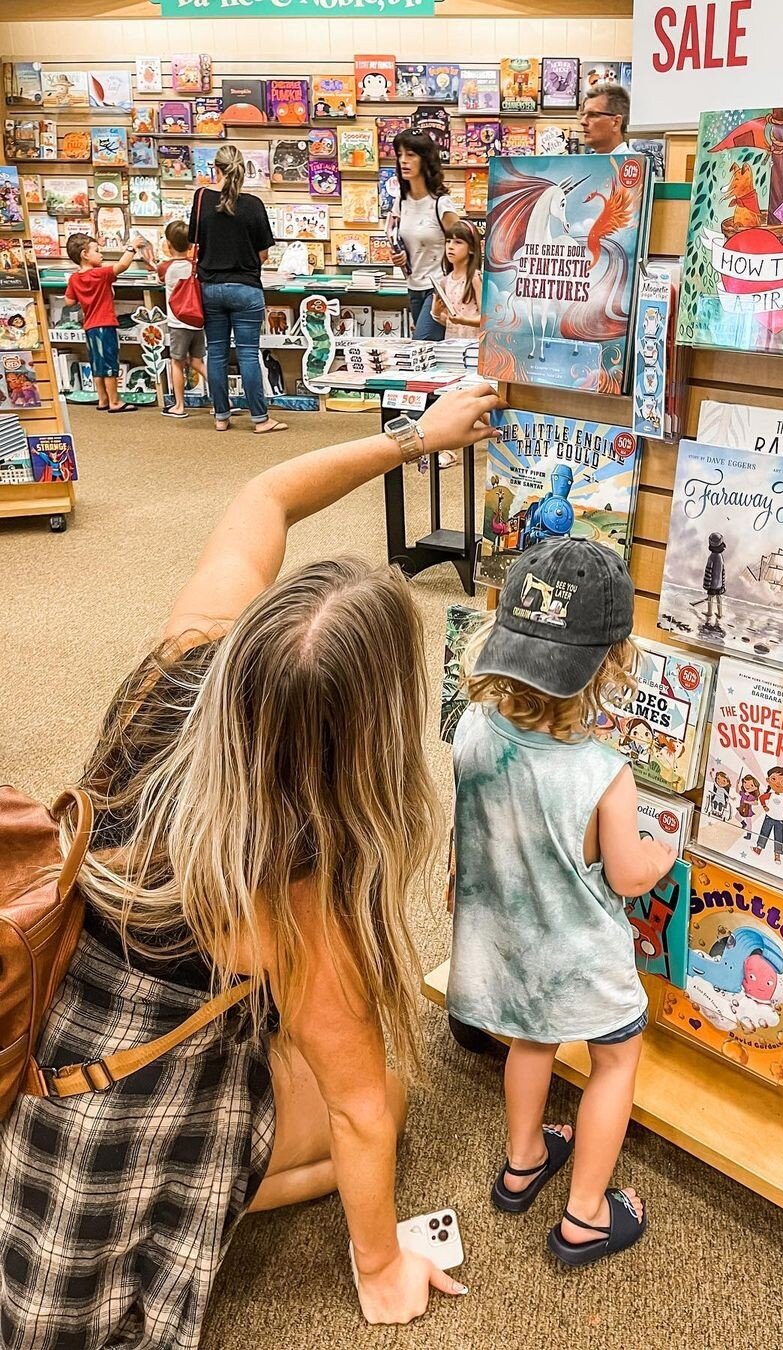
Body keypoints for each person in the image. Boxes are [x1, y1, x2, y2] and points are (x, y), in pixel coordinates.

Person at [0, 385, 504, 1345]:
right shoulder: (294, 881)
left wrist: (415, 438)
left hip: (40, 1031)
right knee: (386, 1098)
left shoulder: (176, 661)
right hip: (110, 1134)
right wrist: (384, 1265)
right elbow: (360, 1112)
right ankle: (177, 1207)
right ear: (366, 742)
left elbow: (265, 499)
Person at [447, 538, 674, 1268]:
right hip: (580, 955)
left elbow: (468, 826)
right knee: (614, 1061)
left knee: (529, 1041)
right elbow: (631, 875)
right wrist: (665, 851)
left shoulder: (473, 729)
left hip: (507, 944)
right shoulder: (605, 772)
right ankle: (584, 1216)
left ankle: (522, 1164)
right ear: (610, 663)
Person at [188, 144, 284, 435]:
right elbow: (263, 255)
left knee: (215, 353)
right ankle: (260, 419)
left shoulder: (202, 197)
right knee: (248, 353)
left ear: (214, 169)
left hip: (210, 287)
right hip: (246, 288)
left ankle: (220, 416)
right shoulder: (253, 205)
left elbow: (195, 243)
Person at [388, 131, 460, 341]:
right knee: (429, 355)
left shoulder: (440, 203)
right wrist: (398, 257)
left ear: (425, 159)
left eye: (411, 154)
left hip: (438, 288)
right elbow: (398, 239)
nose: (403, 161)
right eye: (400, 154)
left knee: (421, 345)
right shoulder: (401, 201)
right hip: (413, 288)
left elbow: (466, 244)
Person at [63, 232, 140, 414]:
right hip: (105, 325)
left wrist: (84, 296)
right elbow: (122, 265)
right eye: (97, 251)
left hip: (89, 327)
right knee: (110, 364)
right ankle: (114, 401)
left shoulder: (74, 278)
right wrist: (132, 247)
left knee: (97, 364)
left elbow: (69, 302)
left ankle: (102, 399)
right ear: (85, 255)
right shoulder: (100, 274)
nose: (101, 254)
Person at [430, 220, 484, 468]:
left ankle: (493, 432)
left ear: (471, 249)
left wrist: (462, 319)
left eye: (458, 242)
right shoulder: (444, 280)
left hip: (472, 349)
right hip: (451, 347)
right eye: (448, 241)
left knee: (472, 397)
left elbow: (486, 319)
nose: (451, 247)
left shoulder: (475, 279)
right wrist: (436, 311)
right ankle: (449, 448)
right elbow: (440, 318)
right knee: (453, 395)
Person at [157, 219, 207, 420]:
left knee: (176, 363)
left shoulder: (165, 268)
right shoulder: (196, 266)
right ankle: (224, 399)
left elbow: (160, 277)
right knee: (198, 361)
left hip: (177, 323)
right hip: (197, 320)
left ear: (168, 245)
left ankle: (179, 405)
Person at [580, 81, 632, 156]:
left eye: (593, 115)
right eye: (583, 115)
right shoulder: (582, 165)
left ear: (616, 122)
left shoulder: (635, 165)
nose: (583, 121)